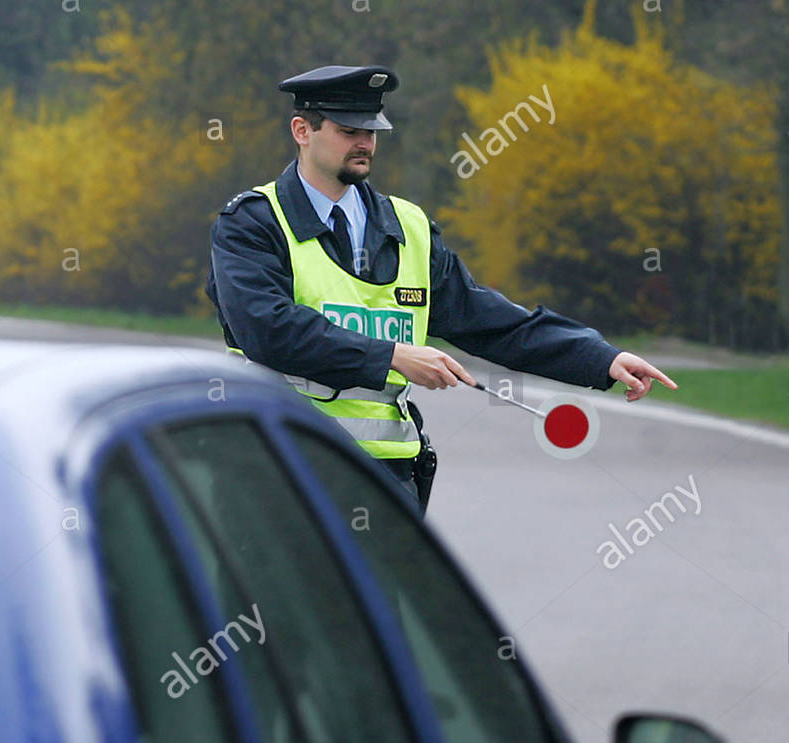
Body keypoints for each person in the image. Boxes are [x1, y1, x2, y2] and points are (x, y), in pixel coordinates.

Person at [206, 65, 677, 513]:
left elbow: (489, 321)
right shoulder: (252, 222)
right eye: (349, 130)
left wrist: (601, 358)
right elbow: (268, 329)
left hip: (385, 481)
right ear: (302, 131)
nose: (365, 142)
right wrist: (393, 356)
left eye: (371, 131)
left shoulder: (408, 225)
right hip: (273, 469)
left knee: (385, 603)